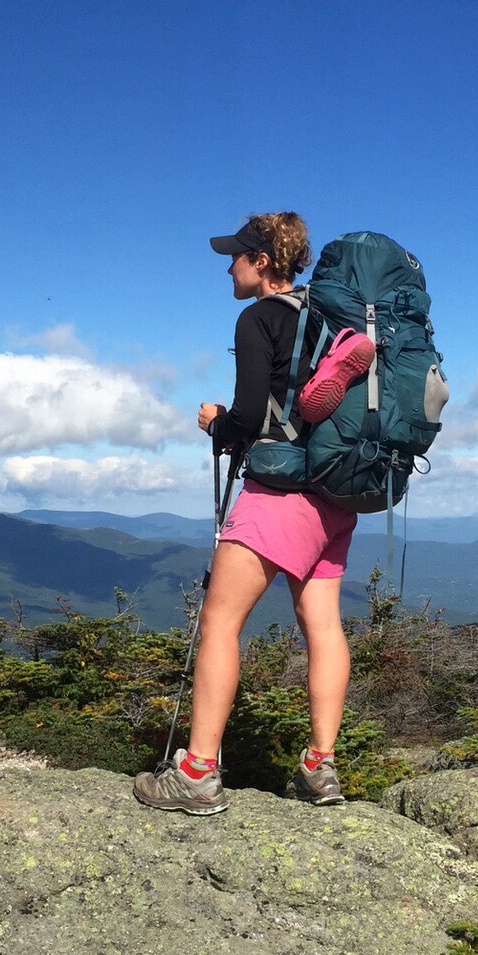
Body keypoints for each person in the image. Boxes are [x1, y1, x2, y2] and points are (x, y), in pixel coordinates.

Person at [132, 213, 363, 816]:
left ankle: (198, 772)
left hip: (280, 495)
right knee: (323, 626)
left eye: (235, 256)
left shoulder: (260, 317)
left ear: (263, 261)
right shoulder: (331, 318)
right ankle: (320, 768)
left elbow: (250, 412)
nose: (227, 266)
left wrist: (216, 424)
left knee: (219, 623)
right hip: (338, 496)